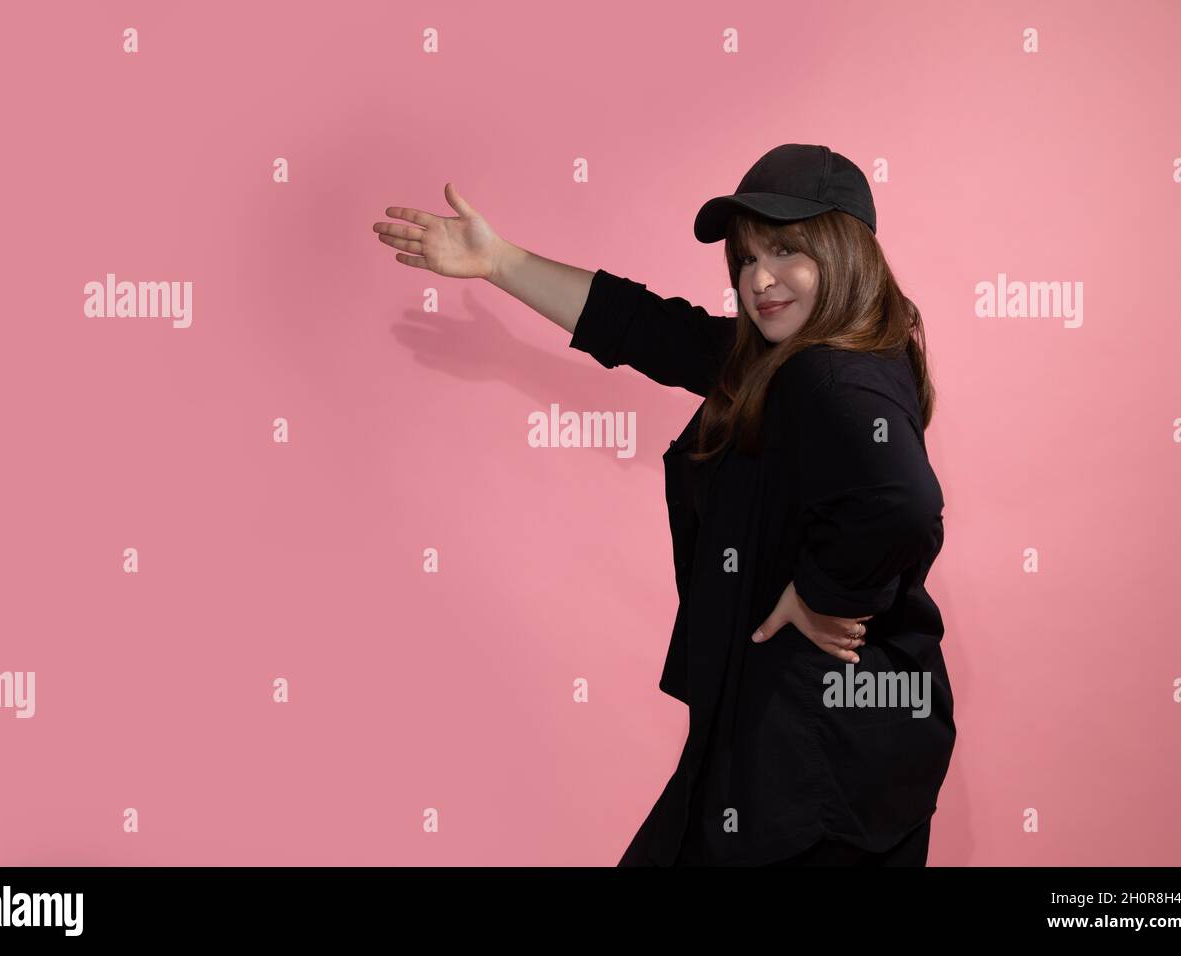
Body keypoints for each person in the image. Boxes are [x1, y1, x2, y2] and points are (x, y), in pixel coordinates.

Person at [373, 145, 956, 867]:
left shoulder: (829, 377)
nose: (758, 279)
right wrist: (499, 262)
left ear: (844, 252)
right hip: (813, 736)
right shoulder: (800, 358)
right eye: (744, 259)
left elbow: (903, 504)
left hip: (817, 760)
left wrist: (824, 593)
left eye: (785, 250)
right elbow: (658, 331)